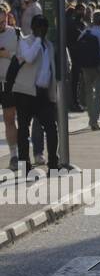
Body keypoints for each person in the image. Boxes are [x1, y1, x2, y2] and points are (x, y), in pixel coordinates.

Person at [13, 14, 59, 171]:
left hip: (42, 93)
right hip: (25, 92)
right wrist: (37, 40)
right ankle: (24, 164)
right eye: (39, 28)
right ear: (33, 28)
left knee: (51, 128)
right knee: (24, 129)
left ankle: (53, 163)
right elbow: (29, 58)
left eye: (45, 28)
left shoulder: (49, 45)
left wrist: (52, 94)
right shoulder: (24, 41)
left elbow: (50, 70)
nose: (42, 31)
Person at [0, 3, 20, 170]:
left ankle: (14, 155)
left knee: (9, 118)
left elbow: (22, 56)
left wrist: (7, 54)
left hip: (8, 82)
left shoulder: (15, 33)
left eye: (3, 20)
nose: (1, 24)